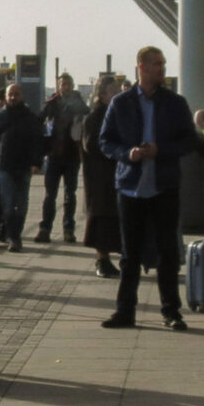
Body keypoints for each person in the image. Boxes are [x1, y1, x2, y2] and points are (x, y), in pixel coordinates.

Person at [98, 45, 204, 330]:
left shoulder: (175, 103)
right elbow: (105, 141)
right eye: (157, 64)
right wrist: (128, 153)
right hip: (131, 187)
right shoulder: (121, 103)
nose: (162, 68)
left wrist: (162, 150)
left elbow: (189, 141)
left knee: (168, 251)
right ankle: (125, 311)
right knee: (129, 253)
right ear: (142, 68)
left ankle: (171, 311)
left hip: (164, 186)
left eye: (163, 63)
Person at [0, 82, 42, 253]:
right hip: (4, 165)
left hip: (24, 166)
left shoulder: (30, 117)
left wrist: (36, 163)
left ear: (21, 96)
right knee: (8, 202)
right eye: (10, 94)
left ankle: (15, 231)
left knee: (22, 204)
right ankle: (12, 236)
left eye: (16, 94)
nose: (12, 97)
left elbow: (38, 142)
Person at [35, 72, 88, 243]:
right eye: (62, 84)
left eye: (67, 84)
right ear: (58, 86)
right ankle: (45, 228)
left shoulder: (79, 103)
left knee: (69, 194)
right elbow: (39, 120)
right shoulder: (52, 103)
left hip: (72, 155)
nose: (65, 87)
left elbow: (87, 116)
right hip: (54, 155)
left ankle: (68, 229)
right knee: (50, 195)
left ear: (72, 85)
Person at [80, 73, 121, 278]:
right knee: (102, 220)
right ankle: (102, 260)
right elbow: (91, 145)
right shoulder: (96, 117)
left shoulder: (114, 115)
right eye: (113, 91)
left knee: (112, 219)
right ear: (102, 95)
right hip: (100, 178)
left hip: (113, 176)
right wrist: (115, 150)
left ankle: (109, 259)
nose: (118, 94)